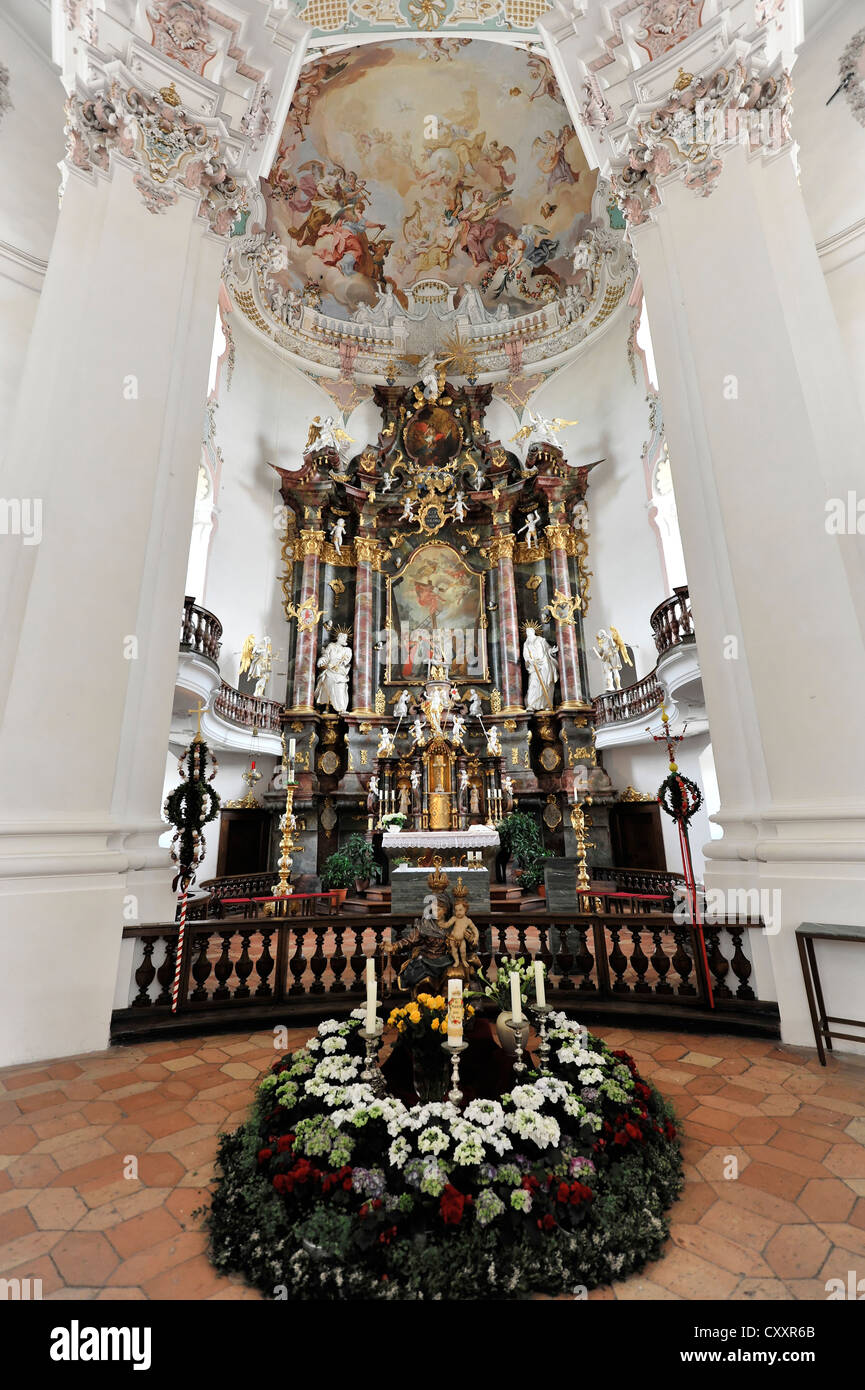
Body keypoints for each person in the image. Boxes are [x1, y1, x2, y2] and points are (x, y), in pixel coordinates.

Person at [314, 631, 352, 713]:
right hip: (330, 669)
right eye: (343, 638)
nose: (344, 639)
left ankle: (341, 708)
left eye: (345, 638)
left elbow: (347, 660)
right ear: (338, 638)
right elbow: (326, 656)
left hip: (340, 671)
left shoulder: (347, 650)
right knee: (328, 687)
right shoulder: (331, 646)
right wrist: (322, 660)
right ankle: (326, 707)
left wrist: (342, 663)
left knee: (340, 688)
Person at [523, 624, 559, 711]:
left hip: (545, 665)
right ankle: (532, 704)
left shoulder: (541, 640)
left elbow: (547, 649)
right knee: (534, 684)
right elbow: (526, 655)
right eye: (527, 632)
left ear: (534, 632)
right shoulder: (526, 643)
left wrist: (552, 651)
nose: (529, 633)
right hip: (534, 666)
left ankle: (547, 705)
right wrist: (529, 660)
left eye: (530, 631)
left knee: (547, 684)